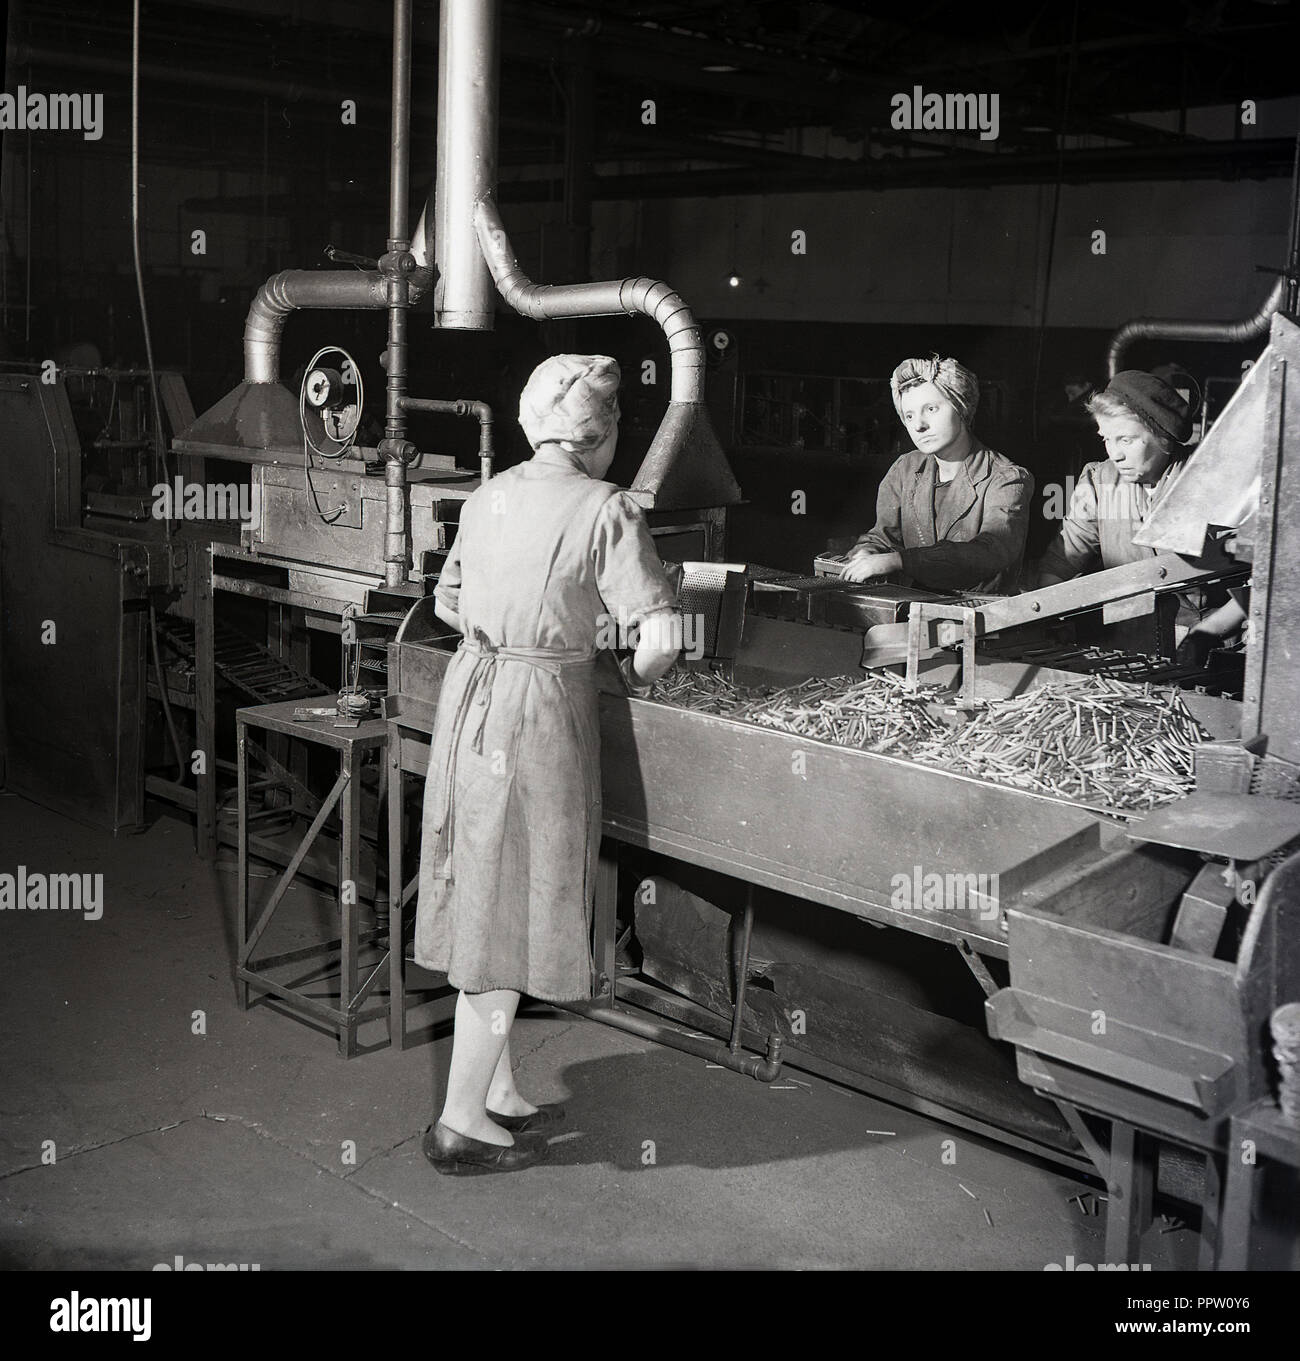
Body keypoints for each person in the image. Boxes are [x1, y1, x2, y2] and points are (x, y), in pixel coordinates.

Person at [415, 355, 680, 1175]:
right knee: (509, 906)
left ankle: (493, 1088)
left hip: (472, 698)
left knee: (490, 883)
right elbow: (662, 641)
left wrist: (514, 630)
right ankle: (459, 1122)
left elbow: (448, 601)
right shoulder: (609, 508)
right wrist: (623, 669)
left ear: (535, 426)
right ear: (599, 438)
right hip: (538, 716)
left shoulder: (489, 495)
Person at [840, 355, 1033, 592]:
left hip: (982, 615)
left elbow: (988, 551)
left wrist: (898, 561)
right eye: (909, 415)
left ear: (961, 409)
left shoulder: (1006, 479)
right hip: (918, 606)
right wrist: (867, 552)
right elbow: (884, 536)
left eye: (931, 409)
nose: (918, 425)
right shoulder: (906, 469)